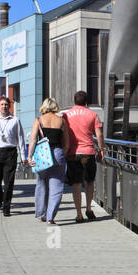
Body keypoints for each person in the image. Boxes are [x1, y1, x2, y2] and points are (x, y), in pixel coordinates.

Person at [64, 90, 105, 222]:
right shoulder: (93, 114)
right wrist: (101, 149)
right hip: (88, 153)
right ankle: (88, 208)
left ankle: (79, 214)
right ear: (86, 101)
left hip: (72, 154)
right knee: (89, 181)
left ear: (74, 101)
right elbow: (99, 134)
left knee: (76, 184)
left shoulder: (66, 115)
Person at [29, 98, 71, 225]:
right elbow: (67, 143)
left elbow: (32, 141)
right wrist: (61, 152)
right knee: (57, 187)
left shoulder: (38, 120)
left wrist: (29, 156)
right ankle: (50, 217)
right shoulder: (61, 121)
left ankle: (41, 213)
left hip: (42, 154)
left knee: (41, 183)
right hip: (57, 153)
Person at [0, 96, 26, 216]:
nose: (4, 106)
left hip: (10, 152)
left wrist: (23, 156)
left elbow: (21, 138)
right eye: (2, 104)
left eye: (6, 104)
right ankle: (0, 197)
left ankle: (6, 207)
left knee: (8, 182)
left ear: (9, 106)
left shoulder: (15, 120)